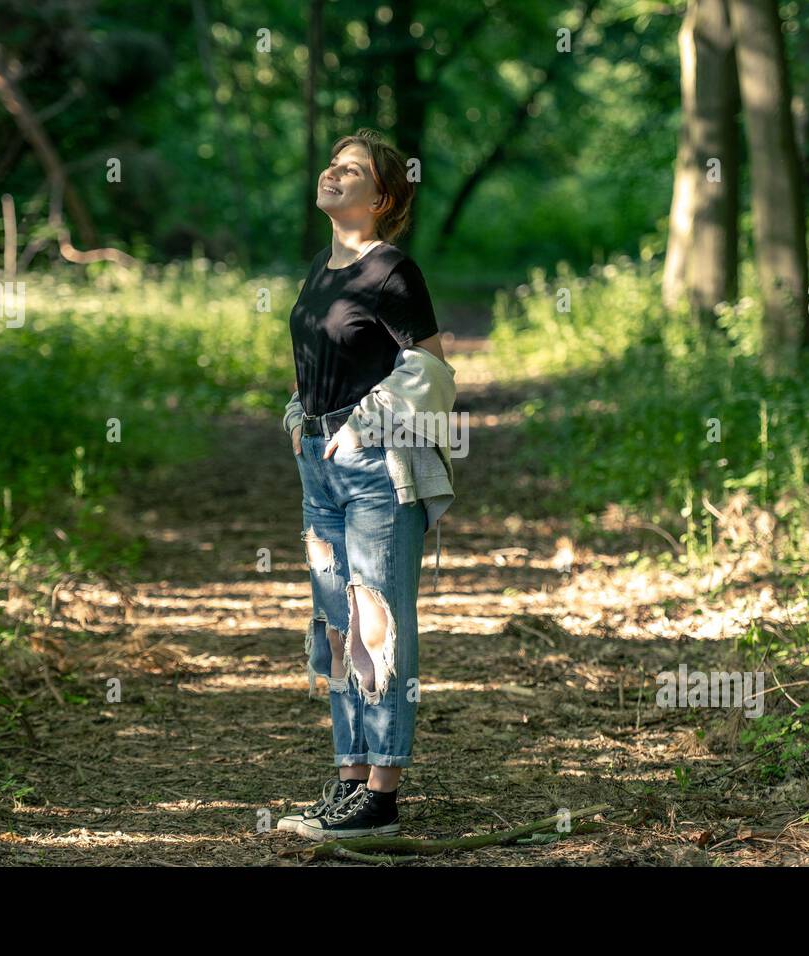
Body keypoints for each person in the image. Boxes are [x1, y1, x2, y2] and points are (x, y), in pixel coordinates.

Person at [276, 128, 451, 840]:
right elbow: (318, 355)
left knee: (377, 623)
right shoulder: (323, 267)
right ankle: (349, 779)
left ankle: (382, 794)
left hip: (378, 469)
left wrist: (366, 421)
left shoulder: (392, 271)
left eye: (351, 170)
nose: (332, 173)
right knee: (336, 624)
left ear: (379, 198)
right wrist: (298, 411)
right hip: (317, 465)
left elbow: (433, 370)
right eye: (331, 163)